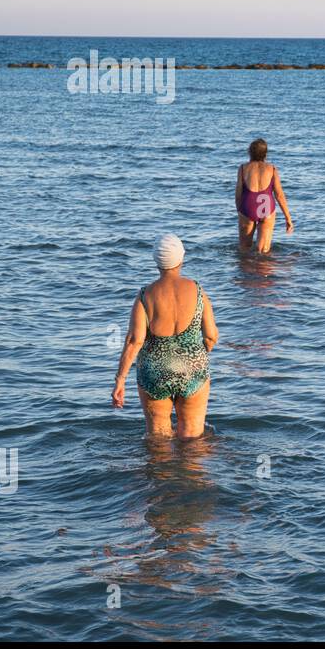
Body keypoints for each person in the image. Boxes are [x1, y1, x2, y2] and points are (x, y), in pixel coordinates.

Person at [112, 234, 219, 438]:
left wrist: (120, 380)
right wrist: (195, 354)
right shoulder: (198, 291)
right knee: (192, 439)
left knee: (158, 439)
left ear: (156, 261)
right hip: (192, 368)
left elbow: (135, 341)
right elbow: (211, 336)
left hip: (154, 371)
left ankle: (160, 469)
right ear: (181, 258)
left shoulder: (145, 295)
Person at [236, 138, 293, 253]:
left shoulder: (243, 168)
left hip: (248, 206)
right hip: (266, 207)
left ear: (250, 152)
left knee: (244, 250)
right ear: (265, 154)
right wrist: (288, 218)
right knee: (263, 252)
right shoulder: (272, 169)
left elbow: (238, 193)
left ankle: (245, 270)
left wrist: (240, 211)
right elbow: (279, 195)